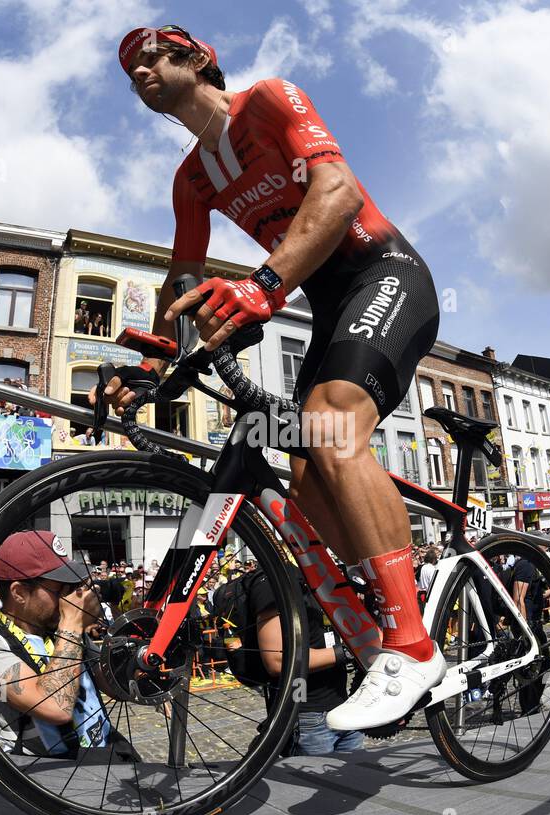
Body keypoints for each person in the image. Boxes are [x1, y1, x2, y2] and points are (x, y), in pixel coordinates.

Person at [105, 25, 445, 733]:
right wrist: (150, 362)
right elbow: (184, 277)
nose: (137, 70)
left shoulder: (269, 100)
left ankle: (411, 646)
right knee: (303, 465)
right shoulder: (192, 178)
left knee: (330, 419)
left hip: (386, 275)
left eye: (150, 56)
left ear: (196, 58)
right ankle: (384, 596)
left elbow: (340, 191)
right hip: (326, 303)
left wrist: (263, 286)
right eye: (128, 68)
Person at [0, 531, 116, 756]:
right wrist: (72, 626)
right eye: (61, 588)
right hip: (42, 777)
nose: (71, 596)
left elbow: (114, 685)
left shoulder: (61, 629)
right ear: (19, 593)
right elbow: (54, 707)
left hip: (103, 756)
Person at [234, 565, 363, 754]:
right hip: (307, 716)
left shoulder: (323, 573)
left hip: (345, 709)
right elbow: (276, 660)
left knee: (352, 780)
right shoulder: (274, 580)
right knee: (311, 782)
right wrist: (346, 652)